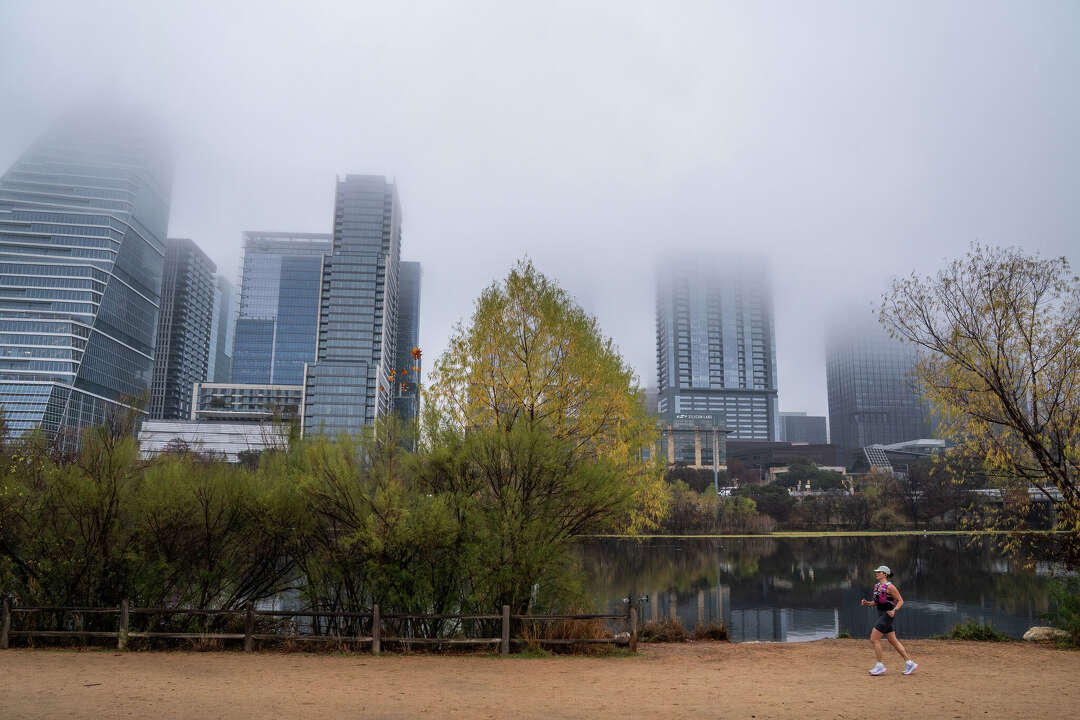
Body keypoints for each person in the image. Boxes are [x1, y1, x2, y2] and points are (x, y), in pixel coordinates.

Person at [859, 565, 917, 676]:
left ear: (885, 574)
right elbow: (876, 602)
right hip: (881, 615)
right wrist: (867, 603)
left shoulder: (890, 587)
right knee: (893, 641)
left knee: (874, 638)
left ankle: (880, 665)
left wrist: (894, 610)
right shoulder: (876, 586)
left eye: (879, 572)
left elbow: (900, 601)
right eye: (876, 571)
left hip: (887, 616)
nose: (876, 573)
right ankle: (910, 663)